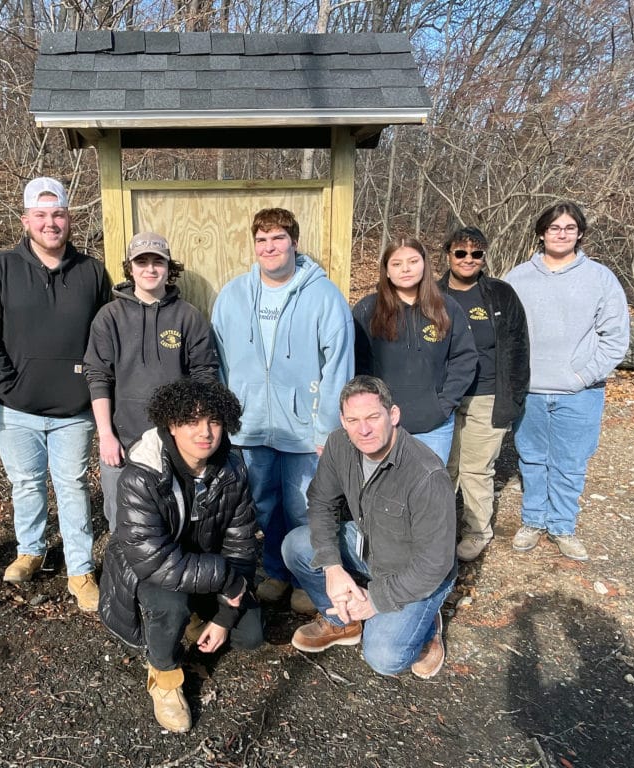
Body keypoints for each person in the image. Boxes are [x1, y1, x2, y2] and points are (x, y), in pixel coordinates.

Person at [0, 177, 110, 609]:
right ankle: (31, 549)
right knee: (26, 484)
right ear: (26, 220)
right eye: (42, 215)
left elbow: (105, 336)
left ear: (69, 219)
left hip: (73, 409)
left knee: (72, 486)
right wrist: (7, 383)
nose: (51, 223)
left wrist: (93, 386)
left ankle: (80, 570)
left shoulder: (91, 272)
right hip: (15, 409)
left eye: (59, 214)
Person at [211, 207, 354, 615]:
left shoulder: (323, 296)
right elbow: (218, 361)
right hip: (250, 425)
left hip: (305, 431)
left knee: (305, 506)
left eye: (277, 238)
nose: (269, 247)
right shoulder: (233, 295)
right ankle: (275, 571)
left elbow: (339, 366)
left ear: (294, 242)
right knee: (264, 504)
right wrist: (226, 417)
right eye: (261, 240)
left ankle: (307, 577)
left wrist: (328, 429)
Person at [99, 378, 261, 733]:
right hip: (148, 571)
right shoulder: (142, 474)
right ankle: (165, 676)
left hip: (204, 566)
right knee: (170, 605)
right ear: (171, 425)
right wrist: (227, 580)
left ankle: (195, 617)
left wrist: (223, 615)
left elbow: (242, 543)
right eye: (192, 421)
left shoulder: (232, 469)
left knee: (249, 634)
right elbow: (154, 559)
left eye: (214, 421)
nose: (205, 432)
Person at [282, 375, 457, 679]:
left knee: (384, 657)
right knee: (296, 546)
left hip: (415, 572)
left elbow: (434, 564)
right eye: (353, 419)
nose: (363, 429)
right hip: (369, 545)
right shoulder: (339, 444)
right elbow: (321, 503)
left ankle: (428, 627)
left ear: (394, 415)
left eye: (373, 417)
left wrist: (375, 600)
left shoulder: (426, 474)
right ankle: (342, 621)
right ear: (343, 420)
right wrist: (333, 569)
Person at [504, 201, 630, 561]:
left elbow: (615, 338)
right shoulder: (518, 278)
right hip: (530, 391)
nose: (561, 234)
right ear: (542, 233)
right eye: (554, 228)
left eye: (569, 228)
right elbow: (505, 334)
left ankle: (562, 526)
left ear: (579, 233)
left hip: (580, 393)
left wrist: (582, 376)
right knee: (531, 459)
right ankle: (533, 521)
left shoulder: (600, 278)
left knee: (570, 461)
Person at [84, 231, 218, 532]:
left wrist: (192, 433)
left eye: (158, 262)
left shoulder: (189, 317)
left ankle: (172, 578)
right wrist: (106, 435)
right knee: (121, 521)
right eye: (141, 262)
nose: (150, 269)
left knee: (176, 519)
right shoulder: (109, 317)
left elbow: (204, 376)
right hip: (122, 440)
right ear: (130, 268)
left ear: (169, 269)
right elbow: (98, 376)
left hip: (174, 441)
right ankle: (127, 578)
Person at [438, 226, 530, 561]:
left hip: (487, 394)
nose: (468, 259)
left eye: (476, 254)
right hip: (443, 396)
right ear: (448, 254)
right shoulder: (430, 294)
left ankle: (476, 532)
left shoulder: (500, 295)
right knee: (442, 468)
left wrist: (513, 399)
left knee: (477, 470)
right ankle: (438, 530)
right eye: (460, 253)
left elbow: (519, 347)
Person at [353, 237, 477, 465]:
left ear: (424, 265)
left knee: (429, 491)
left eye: (413, 261)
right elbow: (355, 363)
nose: (406, 269)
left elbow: (465, 358)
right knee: (382, 491)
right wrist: (370, 408)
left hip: (433, 424)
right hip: (381, 422)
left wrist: (445, 403)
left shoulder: (446, 307)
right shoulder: (367, 309)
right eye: (397, 264)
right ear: (387, 271)